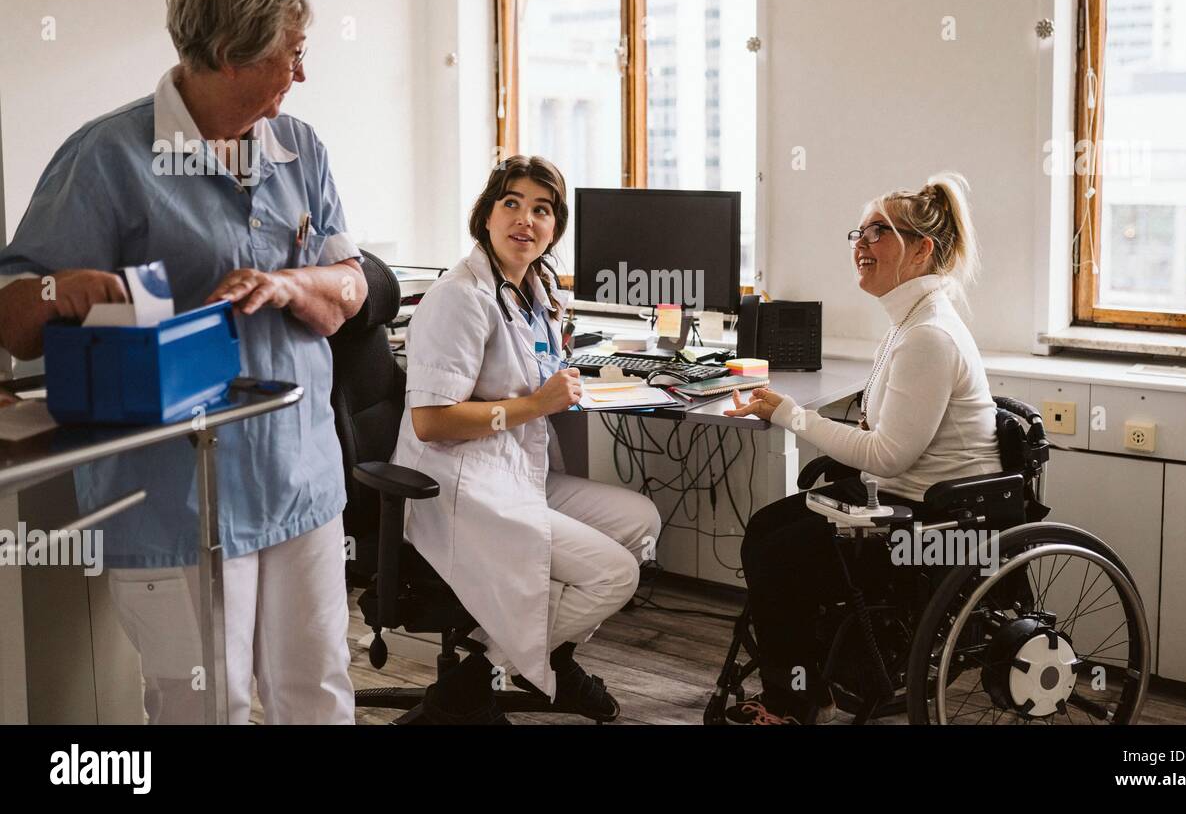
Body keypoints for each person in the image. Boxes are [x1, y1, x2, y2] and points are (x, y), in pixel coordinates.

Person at [0, 0, 365, 724]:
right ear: (231, 54)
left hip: (299, 478)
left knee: (319, 690)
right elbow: (15, 321)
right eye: (290, 54)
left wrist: (291, 284)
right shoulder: (107, 157)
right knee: (206, 706)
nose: (301, 74)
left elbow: (348, 293)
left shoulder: (300, 148)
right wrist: (60, 291)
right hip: (175, 496)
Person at [391, 155, 662, 724]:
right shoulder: (458, 298)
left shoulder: (532, 293)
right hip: (456, 486)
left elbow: (532, 375)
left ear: (555, 228)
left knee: (640, 521)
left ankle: (527, 659)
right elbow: (431, 422)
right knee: (615, 573)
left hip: (512, 471)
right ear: (485, 215)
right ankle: (480, 681)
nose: (525, 219)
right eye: (510, 202)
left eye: (542, 209)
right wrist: (537, 405)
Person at [722, 172, 1001, 724]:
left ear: (921, 249)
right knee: (765, 529)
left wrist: (790, 414)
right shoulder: (910, 324)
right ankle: (811, 687)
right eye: (860, 231)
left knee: (778, 553)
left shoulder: (928, 336)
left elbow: (888, 455)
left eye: (879, 232)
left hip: (938, 519)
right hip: (902, 497)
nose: (861, 244)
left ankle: (795, 702)